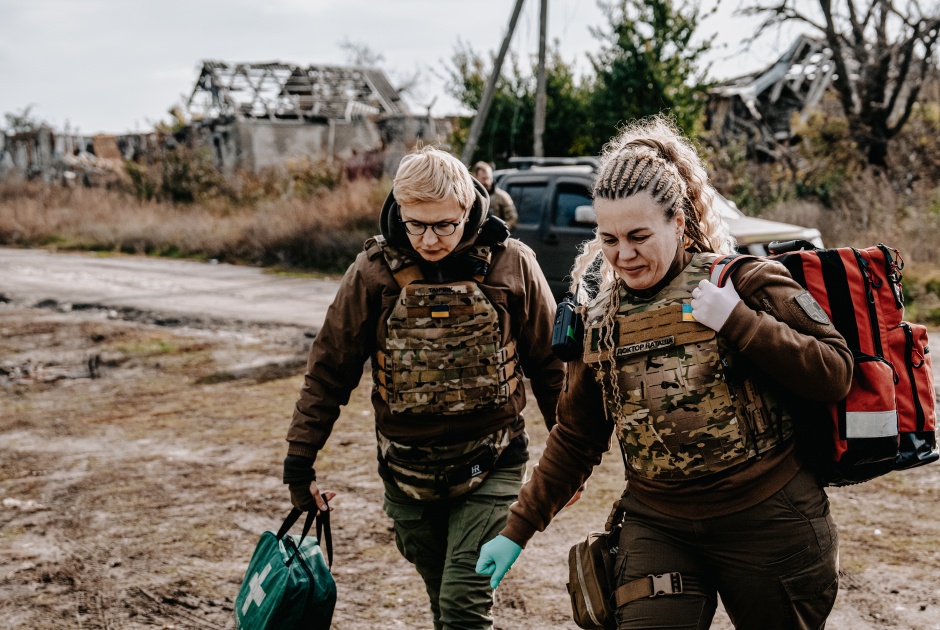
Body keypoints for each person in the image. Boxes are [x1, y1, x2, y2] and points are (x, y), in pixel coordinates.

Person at [475, 117, 854, 630]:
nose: (623, 255)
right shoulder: (601, 319)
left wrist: (739, 322)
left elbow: (834, 372)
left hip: (770, 518)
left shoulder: (743, 282)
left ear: (678, 222)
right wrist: (515, 529)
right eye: (608, 239)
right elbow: (577, 438)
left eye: (638, 236)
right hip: (660, 525)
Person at [284, 146, 564, 630]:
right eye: (415, 225)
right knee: (442, 602)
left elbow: (552, 367)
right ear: (397, 211)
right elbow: (329, 372)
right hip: (406, 473)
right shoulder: (371, 274)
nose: (429, 240)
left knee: (461, 608)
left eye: (444, 225)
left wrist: (567, 463)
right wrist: (299, 463)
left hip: (491, 461)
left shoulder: (511, 264)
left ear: (467, 210)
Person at [472, 161, 518, 230]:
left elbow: (513, 220)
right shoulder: (471, 197)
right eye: (483, 179)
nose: (487, 182)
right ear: (476, 178)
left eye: (488, 178)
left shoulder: (502, 197)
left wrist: (498, 229)